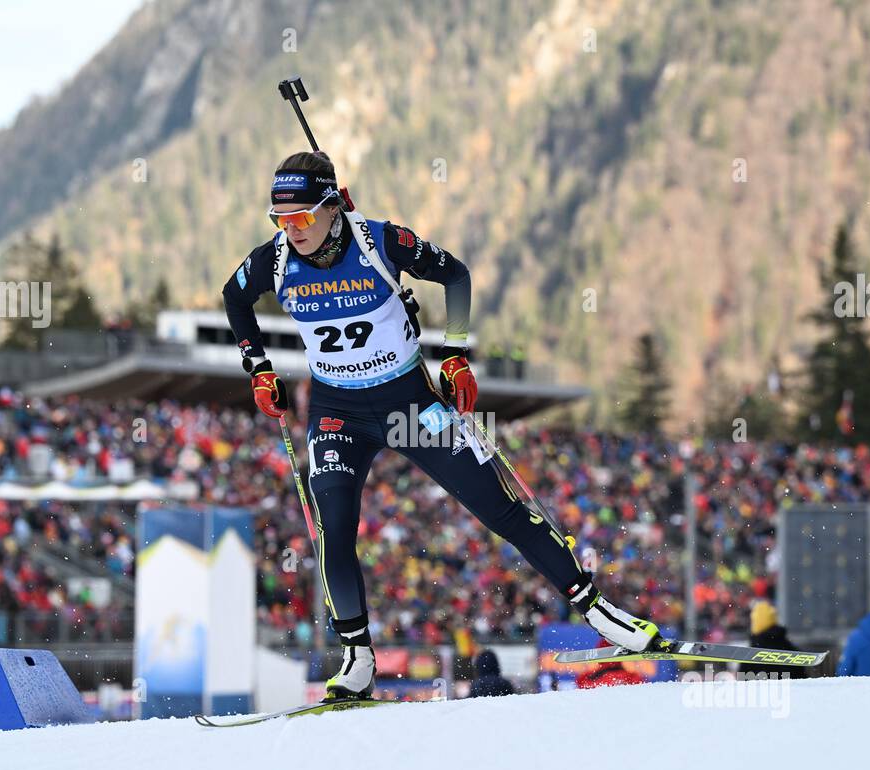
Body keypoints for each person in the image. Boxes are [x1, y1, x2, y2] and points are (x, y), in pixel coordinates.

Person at [222, 151, 669, 700]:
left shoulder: (379, 242)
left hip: (409, 404)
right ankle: (358, 658)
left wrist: (455, 354)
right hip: (337, 411)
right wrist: (258, 366)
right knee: (332, 527)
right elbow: (234, 296)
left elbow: (456, 274)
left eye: (304, 218)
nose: (293, 231)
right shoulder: (272, 261)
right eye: (281, 220)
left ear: (333, 207)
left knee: (498, 506)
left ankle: (599, 613)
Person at [747, 600, 803, 678]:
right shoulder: (786, 646)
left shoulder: (750, 652)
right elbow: (800, 675)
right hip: (789, 688)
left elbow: (743, 680)